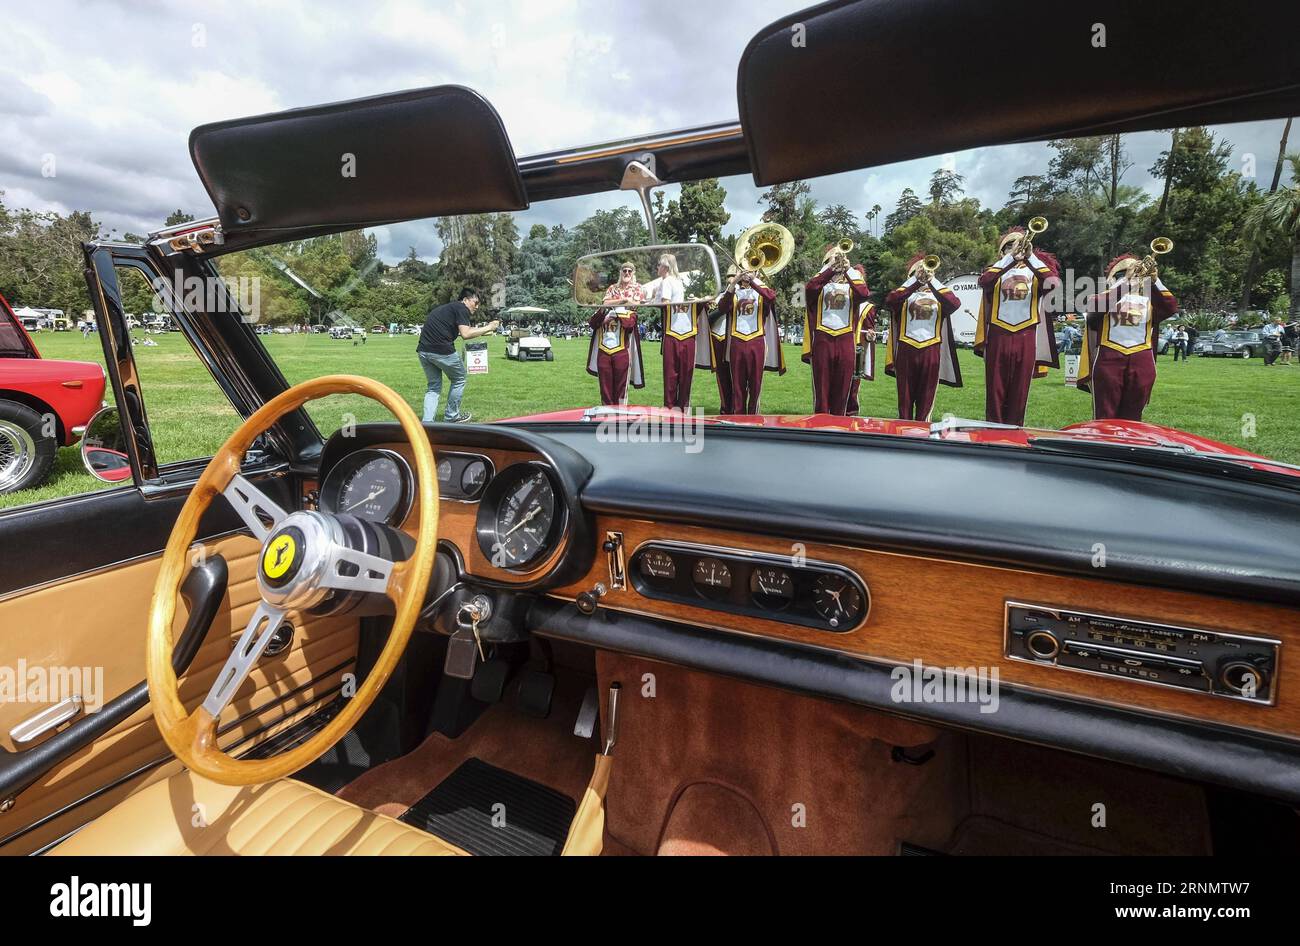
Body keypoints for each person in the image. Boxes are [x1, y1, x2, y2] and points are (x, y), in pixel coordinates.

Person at [974, 227, 1060, 425]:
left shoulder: (1035, 272)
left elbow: (1053, 284)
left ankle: (1015, 430)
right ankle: (993, 429)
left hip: (1026, 335)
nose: (1016, 250)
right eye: (1010, 247)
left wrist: (1031, 258)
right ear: (1002, 252)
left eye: (1020, 246)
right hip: (998, 334)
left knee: (1020, 389)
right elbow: (984, 281)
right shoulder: (996, 271)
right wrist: (1010, 259)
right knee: (995, 389)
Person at [1077, 255, 1179, 421]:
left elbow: (1171, 306)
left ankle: (1130, 446)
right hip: (1109, 359)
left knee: (1133, 417)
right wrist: (1125, 283)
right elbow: (1093, 312)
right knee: (1105, 414)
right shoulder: (1104, 298)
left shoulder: (1150, 301)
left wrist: (1155, 281)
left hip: (1142, 360)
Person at [884, 254, 963, 421]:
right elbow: (890, 301)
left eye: (926, 270)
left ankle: (922, 429)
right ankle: (903, 427)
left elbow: (955, 304)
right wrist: (915, 282)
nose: (923, 274)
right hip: (906, 348)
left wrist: (932, 282)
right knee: (904, 398)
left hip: (931, 349)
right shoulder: (905, 296)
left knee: (926, 398)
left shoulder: (938, 295)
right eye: (918, 271)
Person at [802, 244, 874, 415]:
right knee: (821, 393)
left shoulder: (852, 285)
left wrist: (848, 270)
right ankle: (820, 427)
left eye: (840, 258)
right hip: (822, 340)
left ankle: (839, 427)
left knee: (842, 393)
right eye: (834, 258)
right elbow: (809, 288)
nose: (839, 261)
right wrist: (829, 269)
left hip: (845, 340)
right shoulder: (820, 285)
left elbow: (864, 294)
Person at [416, 287, 499, 423]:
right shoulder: (462, 308)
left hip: (423, 351)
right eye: (475, 302)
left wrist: (484, 330)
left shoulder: (448, 308)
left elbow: (464, 331)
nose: (477, 307)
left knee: (433, 387)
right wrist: (489, 327)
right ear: (465, 300)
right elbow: (466, 334)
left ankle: (427, 423)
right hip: (442, 351)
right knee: (459, 379)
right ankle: (452, 416)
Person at [643, 253, 711, 410]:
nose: (657, 268)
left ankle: (669, 410)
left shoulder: (666, 281)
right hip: (686, 331)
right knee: (685, 377)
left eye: (659, 265)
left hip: (673, 331)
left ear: (665, 267)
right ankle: (683, 409)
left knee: (671, 376)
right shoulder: (679, 281)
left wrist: (650, 302)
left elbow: (666, 304)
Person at [716, 268, 784, 413]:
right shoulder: (733, 293)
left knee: (755, 385)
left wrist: (753, 280)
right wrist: (734, 281)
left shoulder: (760, 293)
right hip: (737, 342)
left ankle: (753, 417)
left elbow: (771, 297)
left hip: (757, 341)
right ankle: (739, 418)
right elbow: (722, 307)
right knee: (738, 386)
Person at [586, 262, 646, 405]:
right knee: (605, 384)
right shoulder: (612, 287)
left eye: (629, 271)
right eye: (624, 270)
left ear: (633, 273)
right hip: (607, 337)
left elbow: (634, 306)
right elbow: (605, 303)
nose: (626, 273)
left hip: (624, 337)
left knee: (621, 382)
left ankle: (620, 415)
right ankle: (607, 414)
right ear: (620, 272)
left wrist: (615, 308)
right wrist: (623, 301)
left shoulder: (638, 288)